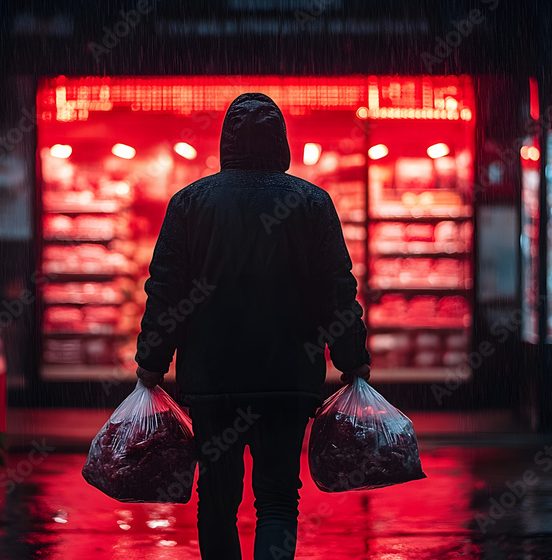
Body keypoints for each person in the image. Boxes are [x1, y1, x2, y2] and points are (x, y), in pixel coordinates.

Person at [133, 92, 371, 560]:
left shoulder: (190, 203)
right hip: (287, 378)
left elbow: (166, 290)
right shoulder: (312, 202)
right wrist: (352, 359)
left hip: (213, 380)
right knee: (278, 498)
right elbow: (336, 290)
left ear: (227, 142)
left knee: (216, 498)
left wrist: (152, 361)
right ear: (281, 141)